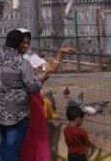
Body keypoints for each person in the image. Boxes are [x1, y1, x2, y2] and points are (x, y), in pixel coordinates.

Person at [18, 29, 76, 161]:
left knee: (37, 136)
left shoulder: (32, 57)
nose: (26, 45)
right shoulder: (11, 58)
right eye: (23, 42)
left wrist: (60, 54)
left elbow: (50, 69)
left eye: (28, 42)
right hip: (21, 103)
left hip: (36, 101)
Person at [0, 29, 42, 161]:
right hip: (16, 114)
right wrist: (39, 79)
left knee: (3, 146)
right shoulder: (22, 63)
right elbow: (33, 88)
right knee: (12, 151)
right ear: (19, 44)